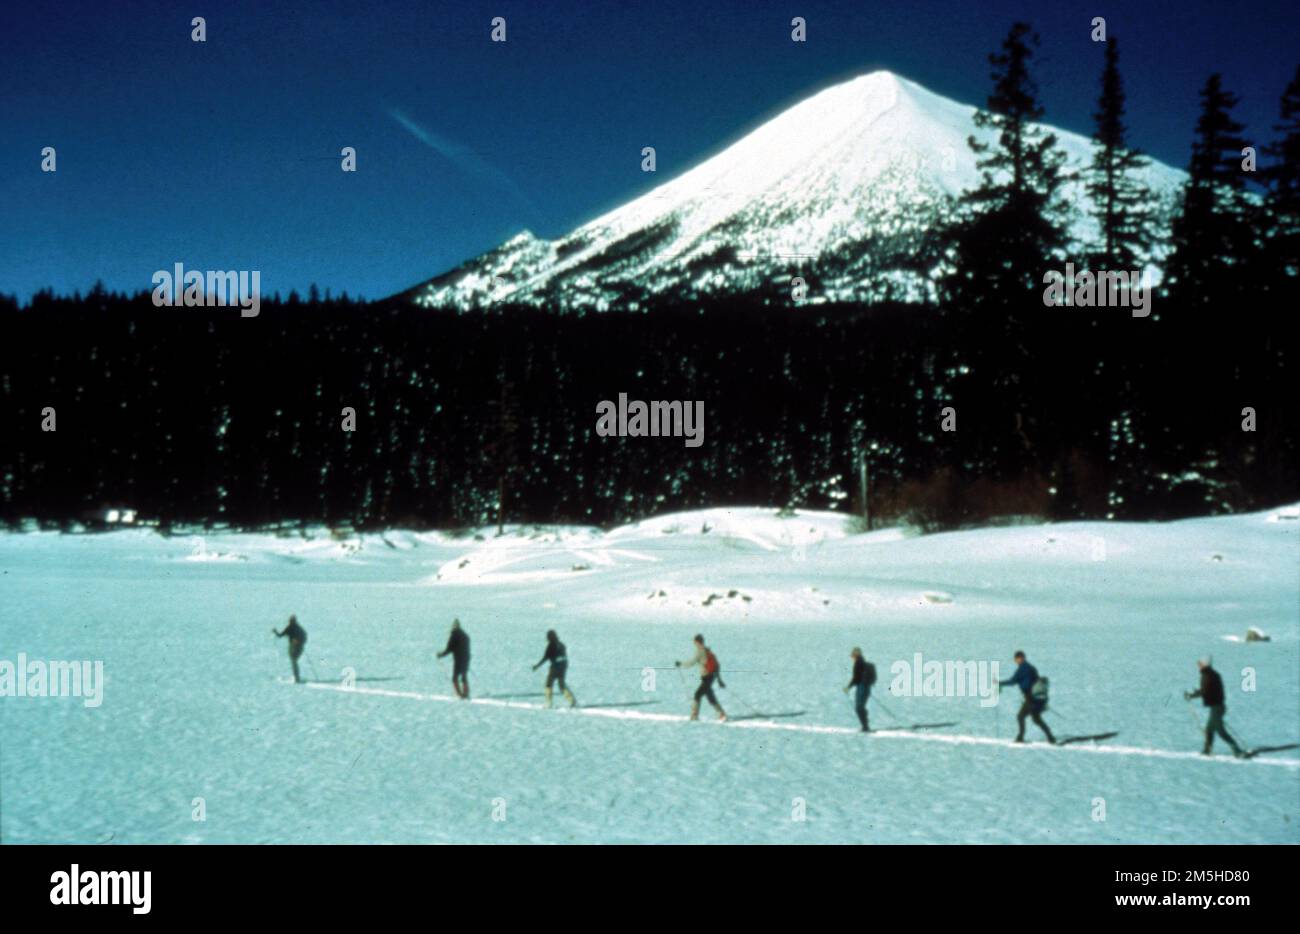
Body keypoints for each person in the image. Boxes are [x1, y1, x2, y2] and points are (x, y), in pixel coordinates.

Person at [1185, 659, 1244, 757]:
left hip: (1217, 707)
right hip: (1216, 707)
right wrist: (1194, 693)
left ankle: (1237, 750)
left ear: (1204, 665)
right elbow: (1207, 690)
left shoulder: (1208, 675)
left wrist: (1192, 695)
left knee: (1220, 731)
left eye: (1200, 664)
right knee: (1209, 729)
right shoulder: (1211, 674)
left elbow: (1205, 691)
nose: (1198, 666)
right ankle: (1207, 750)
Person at [999, 650, 1055, 744]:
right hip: (1037, 698)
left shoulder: (1022, 669)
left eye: (1017, 659)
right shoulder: (1031, 667)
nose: (1016, 661)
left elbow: (1013, 681)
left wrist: (1000, 683)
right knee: (1036, 718)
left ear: (1020, 658)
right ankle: (1050, 737)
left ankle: (1020, 737)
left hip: (1031, 698)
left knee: (1021, 716)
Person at [675, 634, 727, 721]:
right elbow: (717, 666)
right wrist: (719, 680)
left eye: (695, 642)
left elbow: (691, 663)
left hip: (707, 677)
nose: (694, 644)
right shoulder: (707, 650)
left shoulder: (700, 651)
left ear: (698, 642)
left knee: (697, 694)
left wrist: (680, 664)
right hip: (711, 677)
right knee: (710, 696)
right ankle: (721, 713)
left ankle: (694, 716)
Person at [532, 629, 576, 708]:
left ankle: (548, 703)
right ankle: (572, 700)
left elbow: (546, 657)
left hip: (555, 667)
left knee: (548, 684)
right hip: (563, 666)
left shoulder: (551, 645)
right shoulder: (561, 644)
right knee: (561, 685)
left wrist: (537, 666)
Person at [843, 647, 876, 732]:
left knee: (859, 707)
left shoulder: (858, 663)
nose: (852, 658)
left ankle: (865, 726)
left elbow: (856, 678)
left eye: (853, 656)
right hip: (866, 687)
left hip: (861, 688)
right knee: (861, 707)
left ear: (855, 655)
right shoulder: (863, 662)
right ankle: (865, 726)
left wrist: (848, 687)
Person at [437, 618, 471, 699]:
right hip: (466, 658)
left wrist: (441, 655)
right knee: (464, 676)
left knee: (455, 677)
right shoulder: (465, 635)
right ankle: (465, 693)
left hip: (458, 659)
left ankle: (459, 694)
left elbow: (449, 648)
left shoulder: (454, 635)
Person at [273, 615, 308, 683]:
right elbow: (304, 636)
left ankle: (296, 678)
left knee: (293, 660)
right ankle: (296, 677)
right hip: (297, 647)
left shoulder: (291, 628)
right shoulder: (297, 628)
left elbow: (280, 635)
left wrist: (275, 632)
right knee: (293, 661)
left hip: (296, 647)